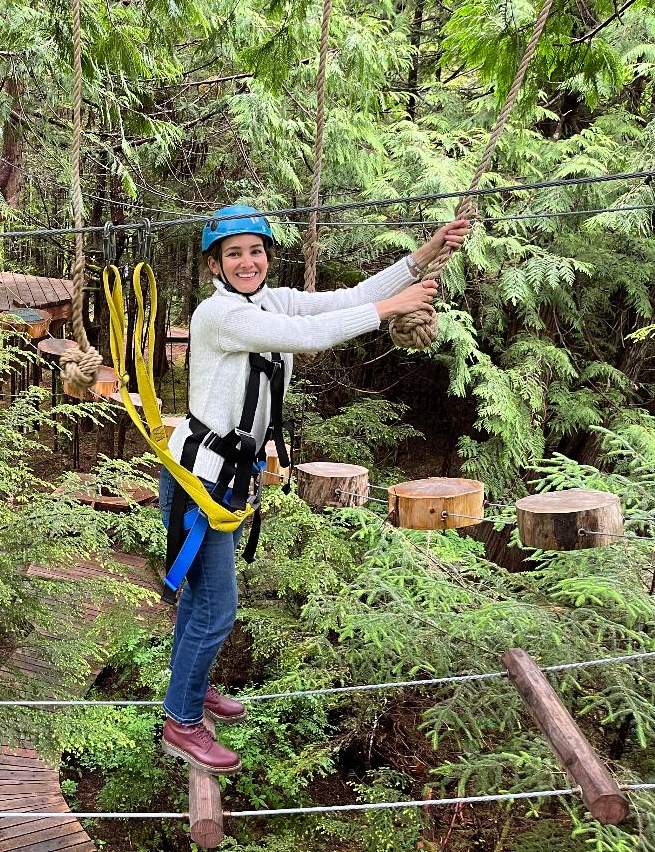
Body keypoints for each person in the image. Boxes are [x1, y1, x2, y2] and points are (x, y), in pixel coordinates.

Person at [158, 207, 470, 774]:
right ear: (214, 266)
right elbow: (310, 336)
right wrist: (392, 309)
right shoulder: (219, 314)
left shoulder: (271, 302)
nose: (247, 262)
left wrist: (422, 257)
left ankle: (191, 687)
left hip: (225, 478)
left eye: (256, 251)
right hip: (199, 482)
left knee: (202, 603)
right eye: (234, 254)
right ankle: (181, 721)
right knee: (217, 610)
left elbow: (349, 299)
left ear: (267, 258)